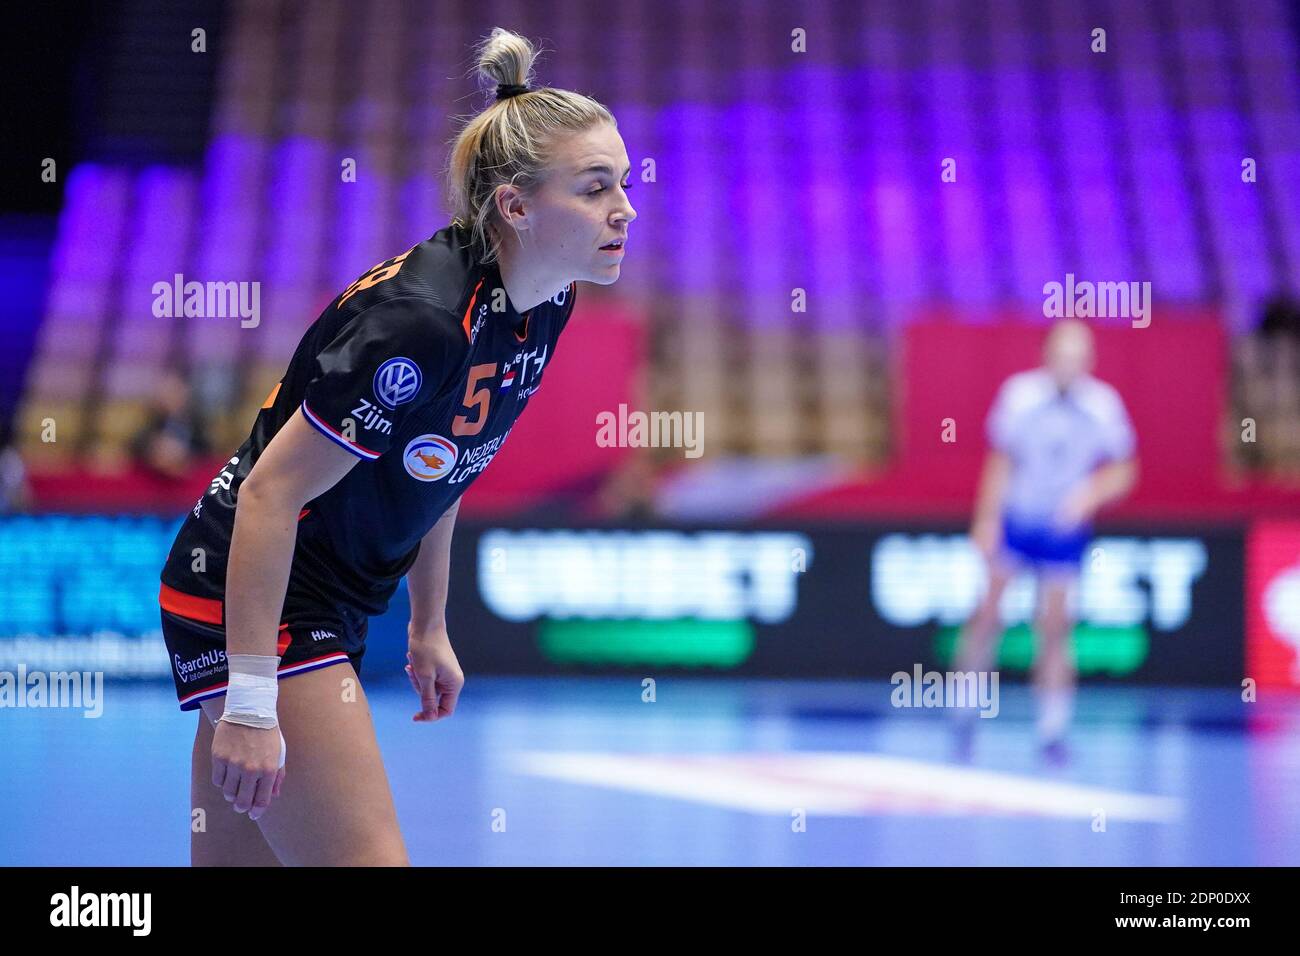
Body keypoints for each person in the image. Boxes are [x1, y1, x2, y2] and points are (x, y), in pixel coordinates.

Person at [156, 26, 636, 865]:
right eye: (595, 189)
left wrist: (427, 623)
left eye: (622, 184)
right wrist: (253, 703)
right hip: (262, 596)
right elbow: (271, 495)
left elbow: (443, 466)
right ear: (515, 206)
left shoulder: (544, 300)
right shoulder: (419, 326)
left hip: (321, 597)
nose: (624, 208)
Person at [951, 319, 1137, 762]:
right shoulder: (1020, 396)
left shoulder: (1104, 406)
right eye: (1061, 354)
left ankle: (1053, 728)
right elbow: (1001, 460)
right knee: (987, 614)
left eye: (1077, 356)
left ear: (1088, 361)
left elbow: (1125, 469)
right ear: (1046, 355)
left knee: (1054, 627)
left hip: (1062, 530)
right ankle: (964, 709)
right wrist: (986, 519)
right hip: (1018, 517)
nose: (1068, 364)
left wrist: (1088, 496)